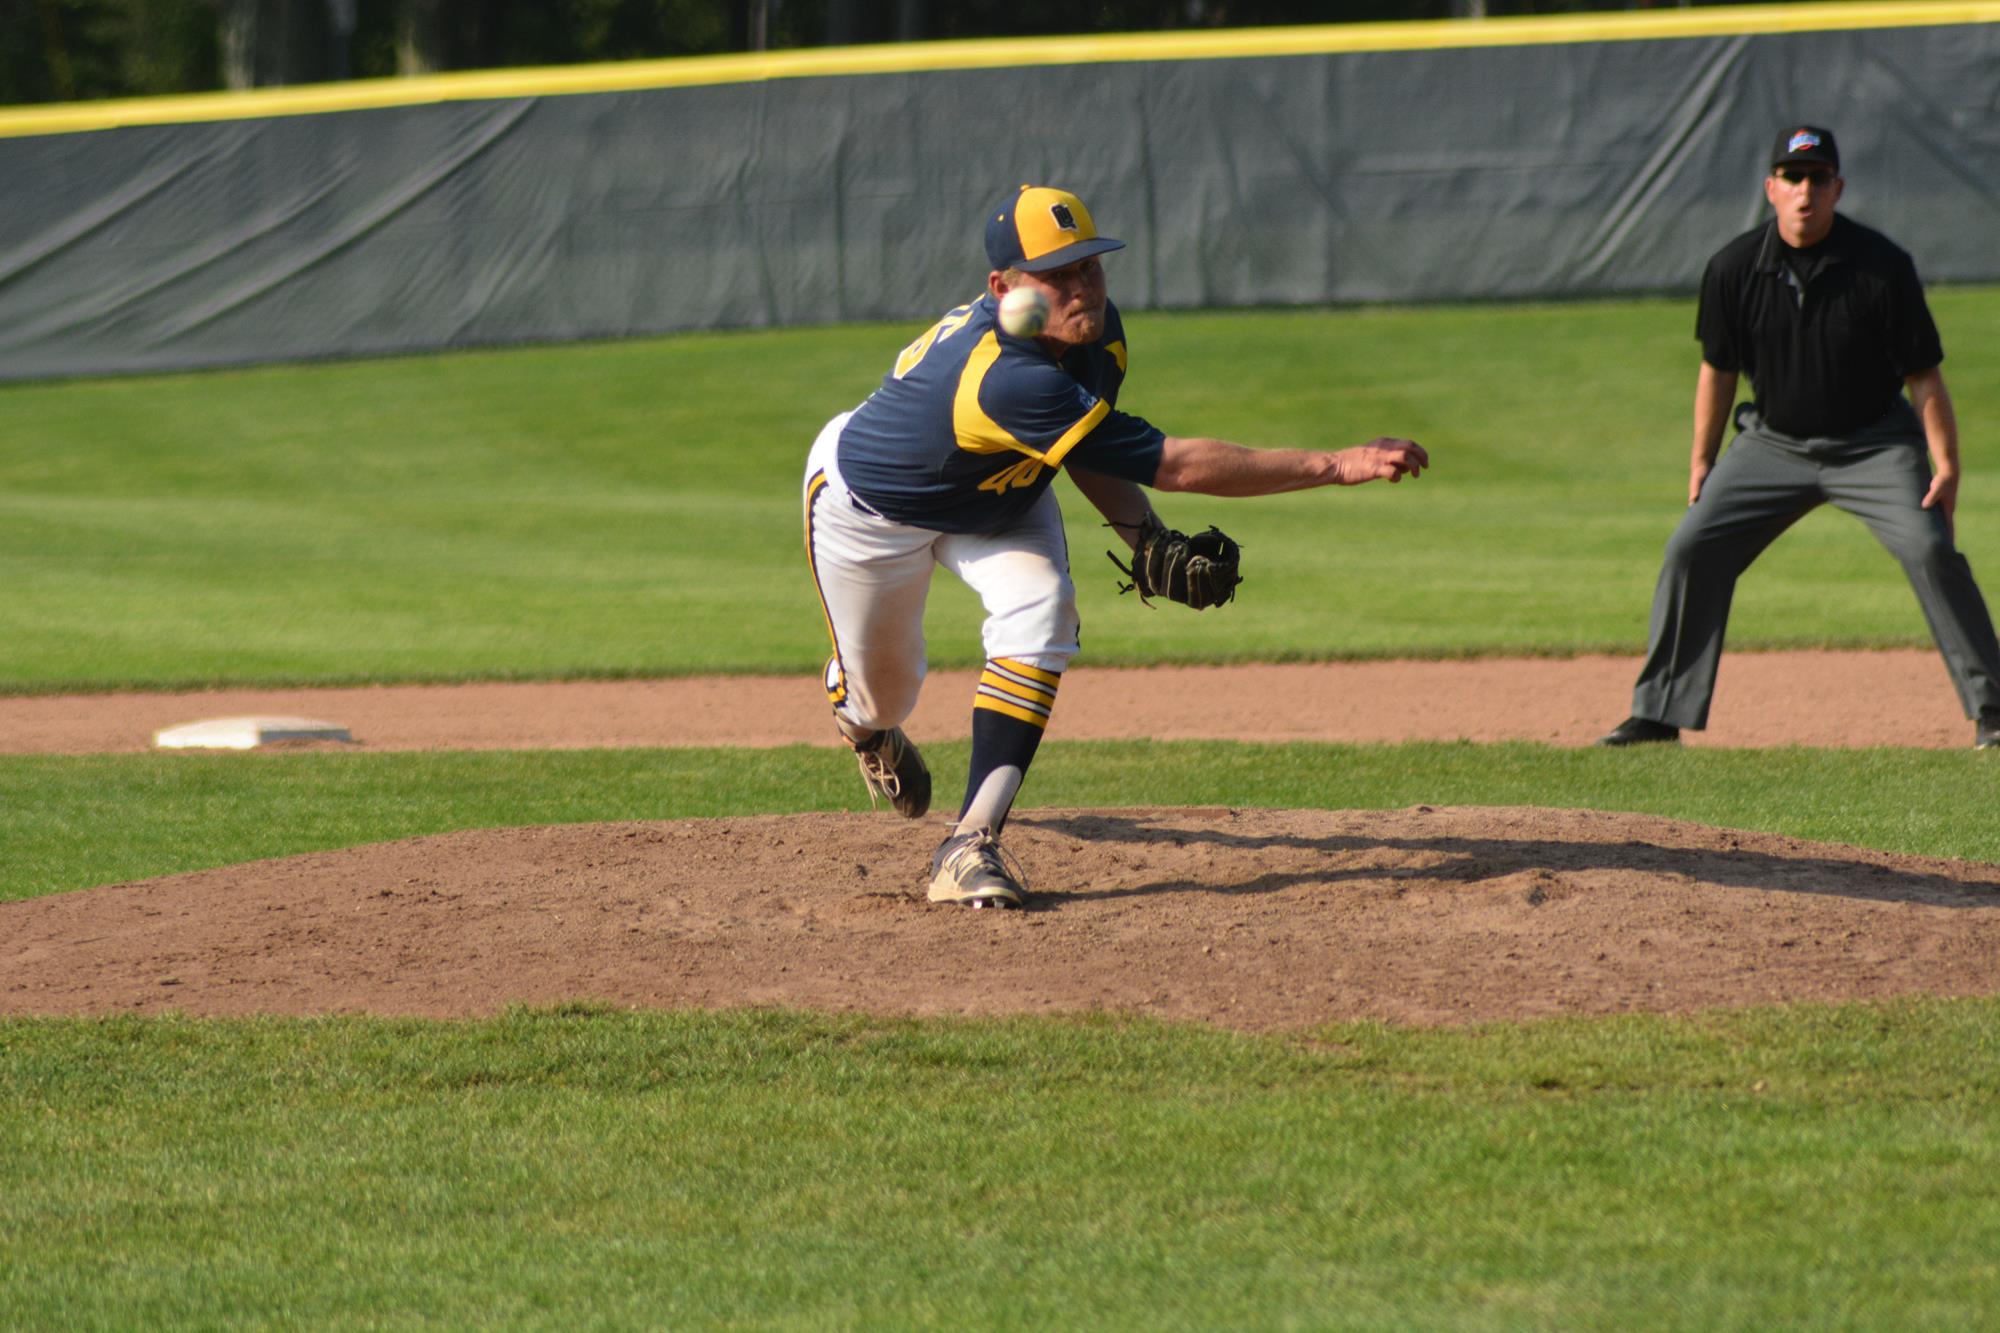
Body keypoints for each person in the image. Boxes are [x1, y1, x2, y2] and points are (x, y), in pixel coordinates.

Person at [804, 184, 1429, 908]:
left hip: (1003, 496)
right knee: (885, 695)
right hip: (872, 514)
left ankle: (967, 843)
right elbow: (1176, 465)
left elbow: (1083, 446)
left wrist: (1144, 537)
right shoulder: (1004, 377)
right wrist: (1333, 463)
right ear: (1003, 289)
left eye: (1089, 267)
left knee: (1043, 610)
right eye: (1056, 274)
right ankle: (860, 719)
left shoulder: (1093, 336)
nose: (1080, 288)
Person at [1599, 126, 2000, 751]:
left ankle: (1993, 709)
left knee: (1930, 548)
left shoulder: (1882, 267)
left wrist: (1946, 464)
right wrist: (1702, 460)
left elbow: (1923, 376)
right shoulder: (1733, 269)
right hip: (1773, 445)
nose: (1804, 190)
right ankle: (1657, 715)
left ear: (1838, 188)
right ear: (1771, 189)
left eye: (1817, 178)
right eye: (1792, 177)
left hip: (1875, 445)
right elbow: (1718, 371)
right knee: (1691, 548)